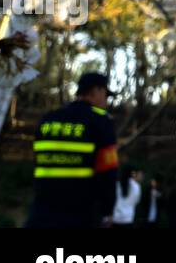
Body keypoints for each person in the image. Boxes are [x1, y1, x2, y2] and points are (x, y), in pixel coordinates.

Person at [25, 71, 119, 229]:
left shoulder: (48, 120)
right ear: (96, 91)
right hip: (81, 215)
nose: (106, 101)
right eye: (105, 94)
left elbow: (38, 163)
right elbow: (108, 173)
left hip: (40, 214)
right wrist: (107, 211)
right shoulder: (101, 122)